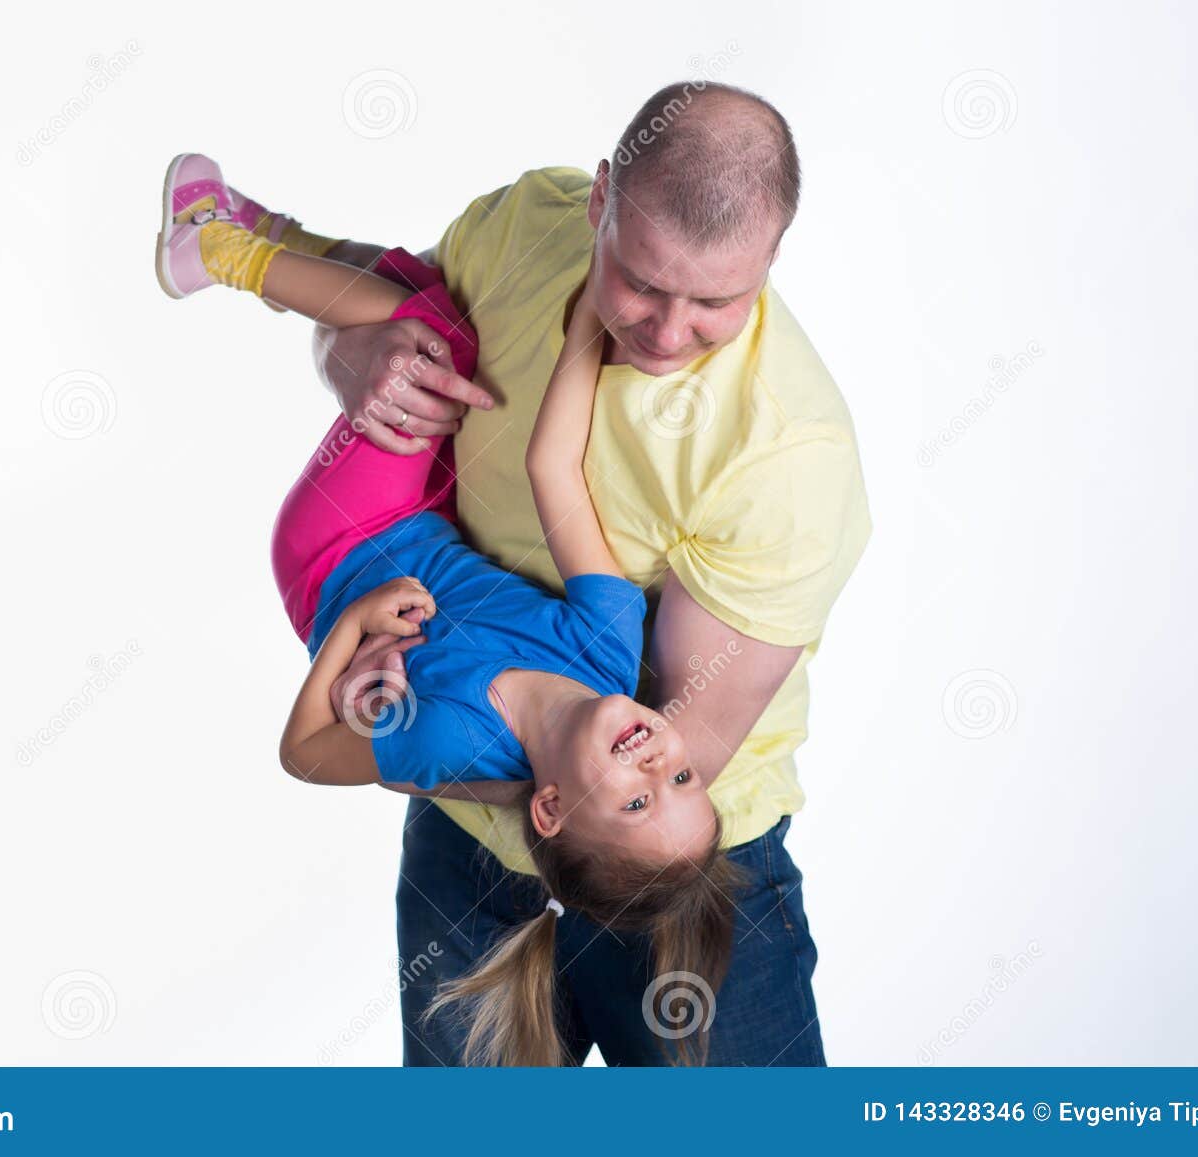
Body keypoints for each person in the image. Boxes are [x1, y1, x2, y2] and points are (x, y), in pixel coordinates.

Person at [308, 81, 874, 1066]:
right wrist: (352, 348)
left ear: (773, 255)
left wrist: (419, 732)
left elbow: (665, 738)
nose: (665, 329)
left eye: (715, 301)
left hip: (675, 878)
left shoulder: (787, 455)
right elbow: (379, 302)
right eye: (644, 283)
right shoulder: (522, 226)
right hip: (470, 843)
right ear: (600, 200)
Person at [157, 153, 741, 1065]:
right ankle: (263, 230)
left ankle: (217, 251)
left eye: (634, 800)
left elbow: (305, 755)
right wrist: (590, 318)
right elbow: (556, 470)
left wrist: (350, 631)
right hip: (422, 510)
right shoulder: (607, 645)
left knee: (431, 335)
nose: (657, 762)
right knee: (425, 293)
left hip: (336, 547)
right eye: (683, 780)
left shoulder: (449, 746)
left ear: (548, 810)